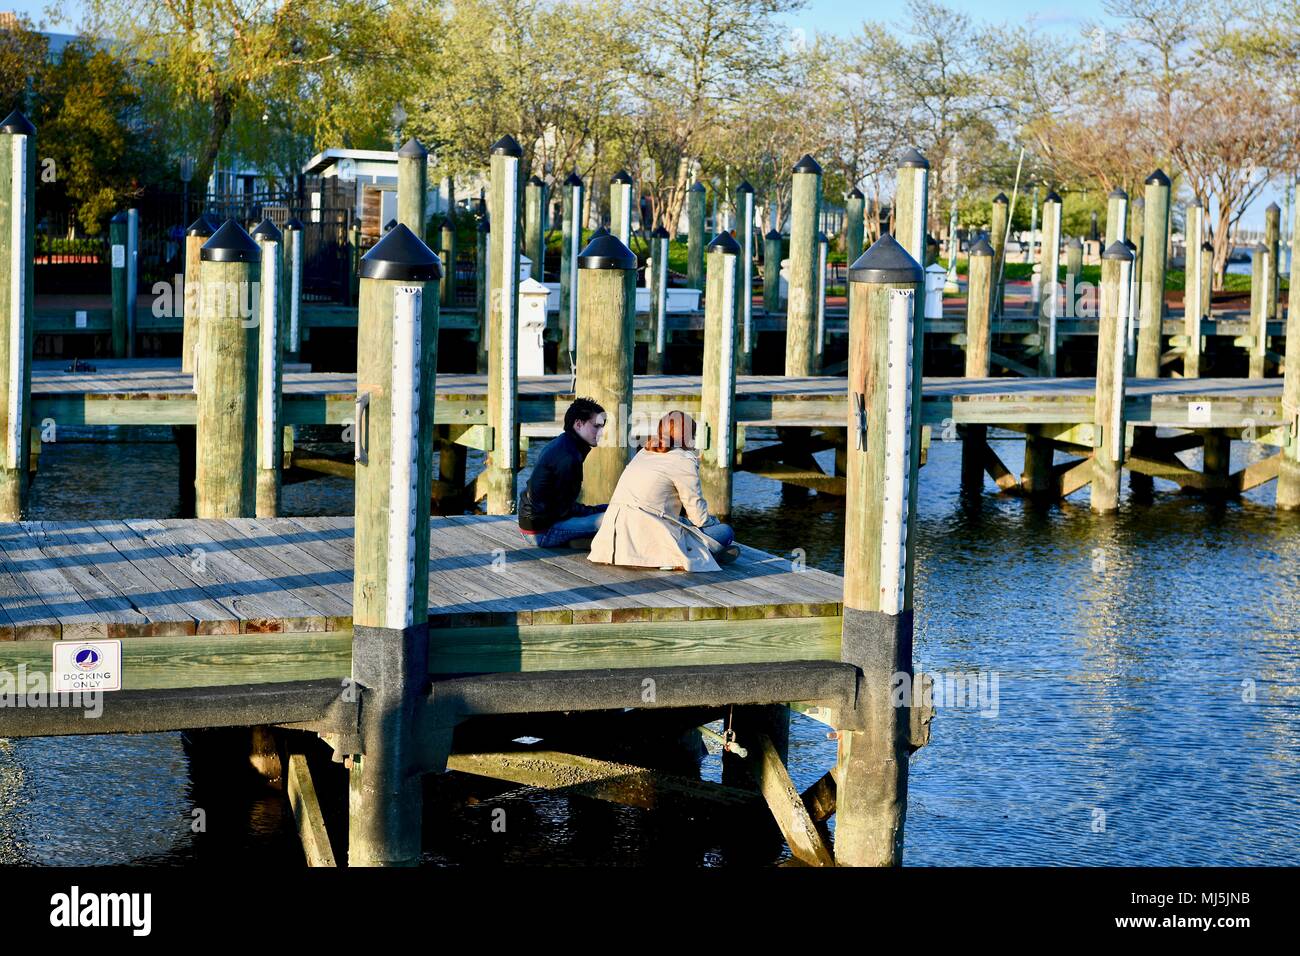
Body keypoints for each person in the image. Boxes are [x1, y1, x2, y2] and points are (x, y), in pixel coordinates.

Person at [588, 410, 739, 572]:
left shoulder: (643, 453)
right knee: (725, 531)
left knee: (686, 524)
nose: (695, 441)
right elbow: (698, 517)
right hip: (650, 536)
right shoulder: (683, 459)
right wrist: (713, 522)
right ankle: (691, 555)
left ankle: (704, 552)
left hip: (613, 542)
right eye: (693, 435)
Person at [517, 397, 608, 548]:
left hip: (539, 523)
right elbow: (563, 509)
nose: (601, 432)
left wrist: (599, 509)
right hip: (542, 532)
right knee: (615, 519)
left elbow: (561, 505)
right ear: (578, 424)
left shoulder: (563, 443)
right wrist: (598, 511)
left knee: (612, 511)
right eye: (596, 426)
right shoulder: (568, 457)